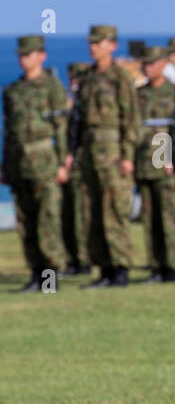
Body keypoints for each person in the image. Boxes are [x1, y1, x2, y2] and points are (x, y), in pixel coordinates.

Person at [3, 35, 70, 291]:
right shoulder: (14, 91)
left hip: (45, 161)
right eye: (21, 55)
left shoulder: (51, 87)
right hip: (19, 163)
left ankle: (51, 278)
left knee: (48, 220)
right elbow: (9, 131)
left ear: (41, 56)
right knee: (26, 221)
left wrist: (63, 161)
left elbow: (61, 127)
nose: (24, 59)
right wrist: (5, 165)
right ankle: (36, 274)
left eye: (29, 54)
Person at [76, 24, 139, 289]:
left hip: (113, 152)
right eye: (91, 43)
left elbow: (131, 119)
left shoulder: (120, 78)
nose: (94, 47)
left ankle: (120, 267)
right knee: (92, 212)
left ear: (112, 45)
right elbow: (78, 121)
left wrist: (128, 155)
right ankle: (103, 268)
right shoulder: (87, 78)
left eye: (99, 42)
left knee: (114, 211)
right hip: (90, 152)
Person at [134, 46, 175, 282]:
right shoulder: (138, 95)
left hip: (167, 165)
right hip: (143, 164)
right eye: (145, 64)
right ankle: (156, 267)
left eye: (152, 63)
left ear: (163, 64)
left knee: (170, 218)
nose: (148, 68)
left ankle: (174, 267)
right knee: (150, 219)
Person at [61, 63, 91, 275]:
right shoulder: (68, 103)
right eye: (72, 78)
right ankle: (72, 259)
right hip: (67, 164)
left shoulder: (87, 105)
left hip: (82, 164)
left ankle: (84, 260)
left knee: (82, 215)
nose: (74, 82)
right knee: (67, 214)